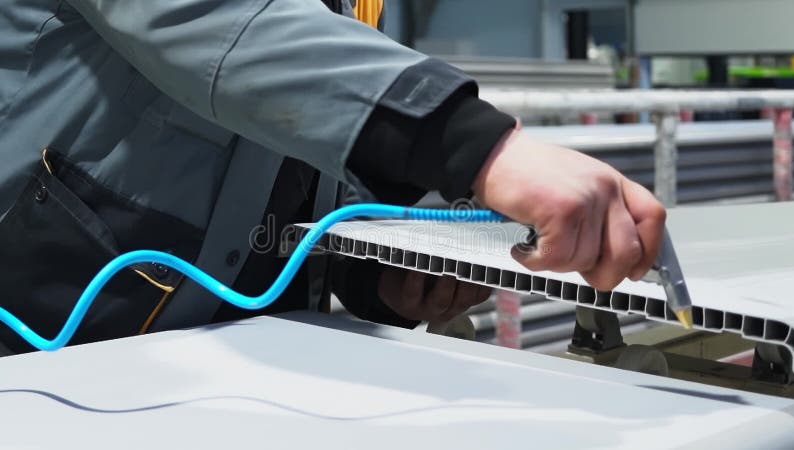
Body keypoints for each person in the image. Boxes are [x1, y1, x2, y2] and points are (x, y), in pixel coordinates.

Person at [0, 0, 665, 354]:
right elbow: (215, 23)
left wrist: (369, 277)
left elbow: (277, 127)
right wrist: (477, 147)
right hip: (42, 349)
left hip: (199, 369)